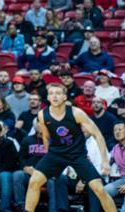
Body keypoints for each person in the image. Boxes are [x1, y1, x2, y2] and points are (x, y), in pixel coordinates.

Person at [24, 84, 117, 212]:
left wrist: (105, 162)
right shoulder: (42, 115)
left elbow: (98, 135)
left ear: (64, 97)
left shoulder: (76, 113)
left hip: (77, 155)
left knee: (99, 189)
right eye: (51, 93)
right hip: (55, 154)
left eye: (58, 93)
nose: (54, 96)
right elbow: (45, 137)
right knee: (34, 181)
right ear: (48, 97)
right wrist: (47, 157)